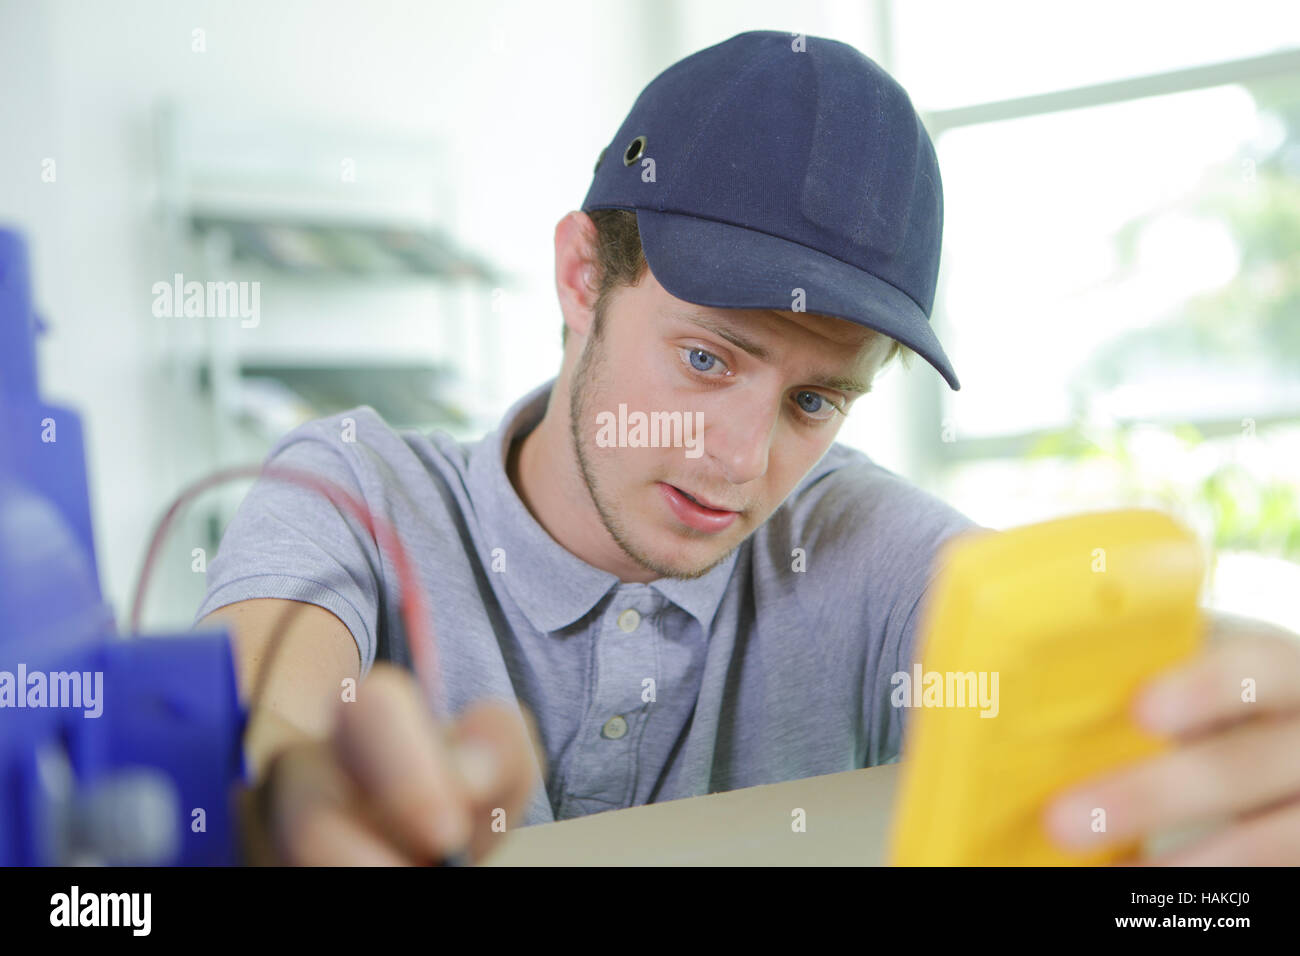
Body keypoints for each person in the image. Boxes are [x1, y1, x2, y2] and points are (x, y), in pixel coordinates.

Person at [197, 30, 1300, 867]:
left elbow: (1091, 668)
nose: (739, 460)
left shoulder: (857, 544)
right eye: (708, 361)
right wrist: (287, 797)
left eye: (814, 400)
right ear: (584, 275)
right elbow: (259, 729)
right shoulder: (351, 484)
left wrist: (1235, 716)